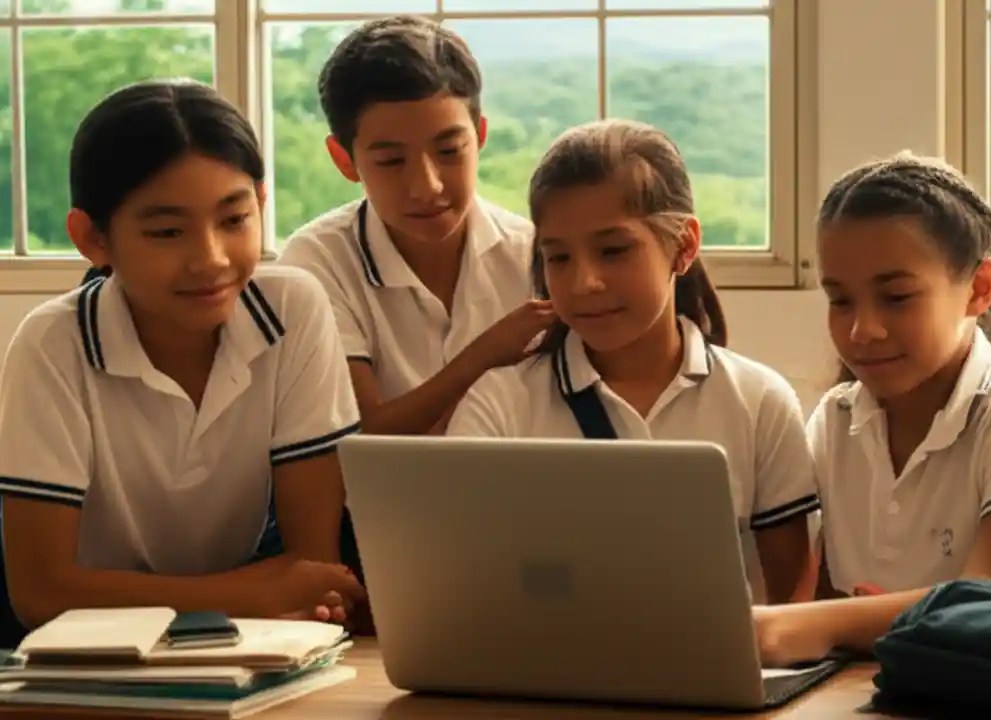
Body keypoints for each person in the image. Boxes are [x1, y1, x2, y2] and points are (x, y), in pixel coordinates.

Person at [0, 80, 365, 634]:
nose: (210, 260)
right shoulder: (53, 344)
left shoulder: (293, 308)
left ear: (261, 204)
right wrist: (244, 593)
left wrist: (249, 598)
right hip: (83, 648)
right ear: (92, 238)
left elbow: (311, 565)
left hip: (240, 634)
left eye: (234, 220)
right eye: (168, 231)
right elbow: (42, 593)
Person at [448, 119, 820, 604]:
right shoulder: (499, 404)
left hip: (712, 675)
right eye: (558, 258)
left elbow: (793, 602)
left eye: (613, 251)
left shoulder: (759, 401)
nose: (584, 282)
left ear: (684, 246)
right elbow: (464, 581)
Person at [753, 153, 991, 664]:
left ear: (979, 289)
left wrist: (818, 625)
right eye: (839, 301)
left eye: (897, 297)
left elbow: (989, 600)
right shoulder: (834, 421)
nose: (862, 330)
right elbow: (824, 596)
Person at [278, 16, 555, 437]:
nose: (427, 186)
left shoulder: (537, 251)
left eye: (449, 150)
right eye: (391, 161)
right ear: (344, 160)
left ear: (479, 136)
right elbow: (358, 438)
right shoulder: (318, 261)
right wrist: (486, 354)